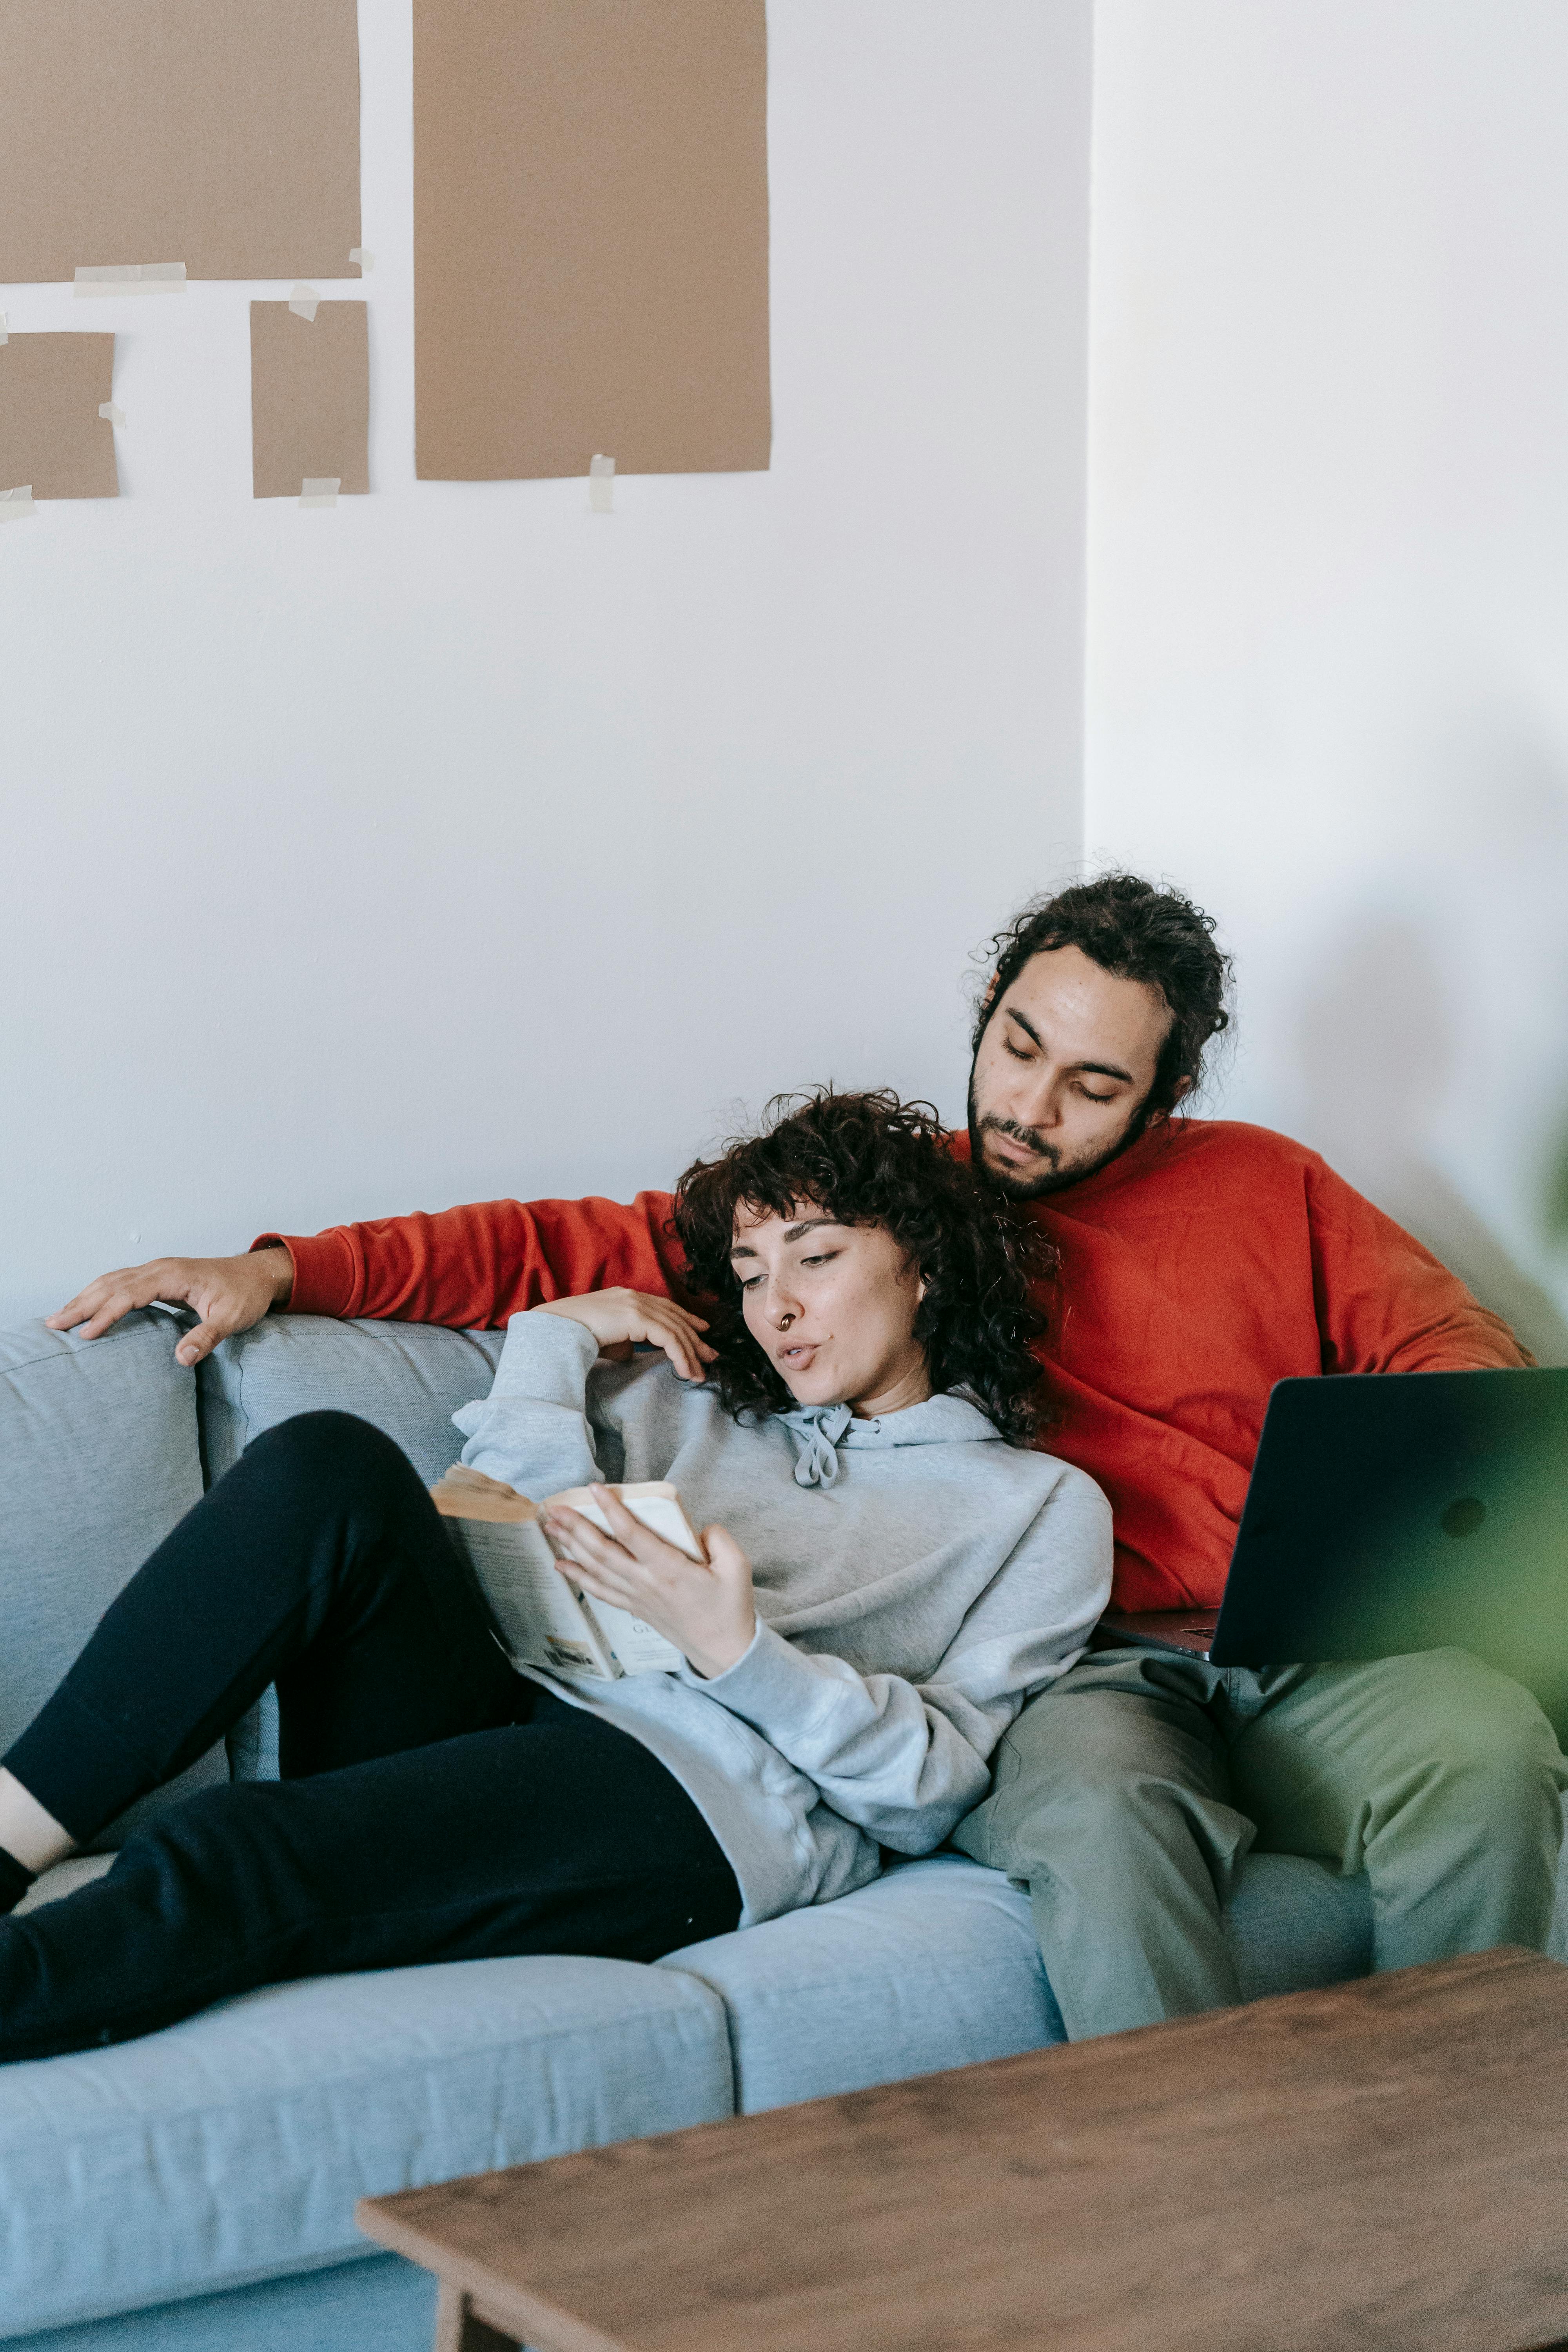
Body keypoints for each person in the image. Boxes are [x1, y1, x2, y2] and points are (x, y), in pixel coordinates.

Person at [49, 874, 1568, 2040]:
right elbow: (554, 1250)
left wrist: (1343, 1531)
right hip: (1075, 1676)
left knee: (1488, 1738)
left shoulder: (1257, 1199)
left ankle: (1460, 2184)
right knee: (1105, 1824)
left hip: (1276, 1643)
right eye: (1016, 1046)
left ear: (1165, 1101)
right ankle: (1179, 2221)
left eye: (1090, 1087)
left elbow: (1465, 1382)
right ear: (985, 1006)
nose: (1027, 1106)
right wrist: (286, 1271)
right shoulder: (870, 1220)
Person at [0, 1091, 1109, 2062]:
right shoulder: (688, 1395)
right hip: (511, 1700)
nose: (776, 1309)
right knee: (321, 1464)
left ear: (924, 1267)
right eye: (751, 1272)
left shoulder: (1034, 1508)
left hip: (692, 1799)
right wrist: (550, 1343)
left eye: (816, 1260)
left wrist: (739, 1653)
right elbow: (490, 1528)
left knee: (236, 1849)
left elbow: (936, 1794)